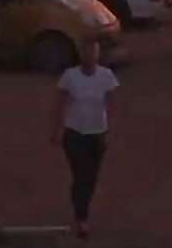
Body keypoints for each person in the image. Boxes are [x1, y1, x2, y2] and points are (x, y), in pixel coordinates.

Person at [54, 41, 118, 238]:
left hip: (97, 133)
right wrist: (56, 129)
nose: (90, 56)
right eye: (86, 52)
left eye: (93, 52)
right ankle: (82, 219)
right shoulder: (70, 77)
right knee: (82, 175)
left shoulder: (106, 76)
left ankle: (79, 206)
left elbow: (111, 106)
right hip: (74, 133)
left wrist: (110, 132)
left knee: (89, 178)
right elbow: (60, 105)